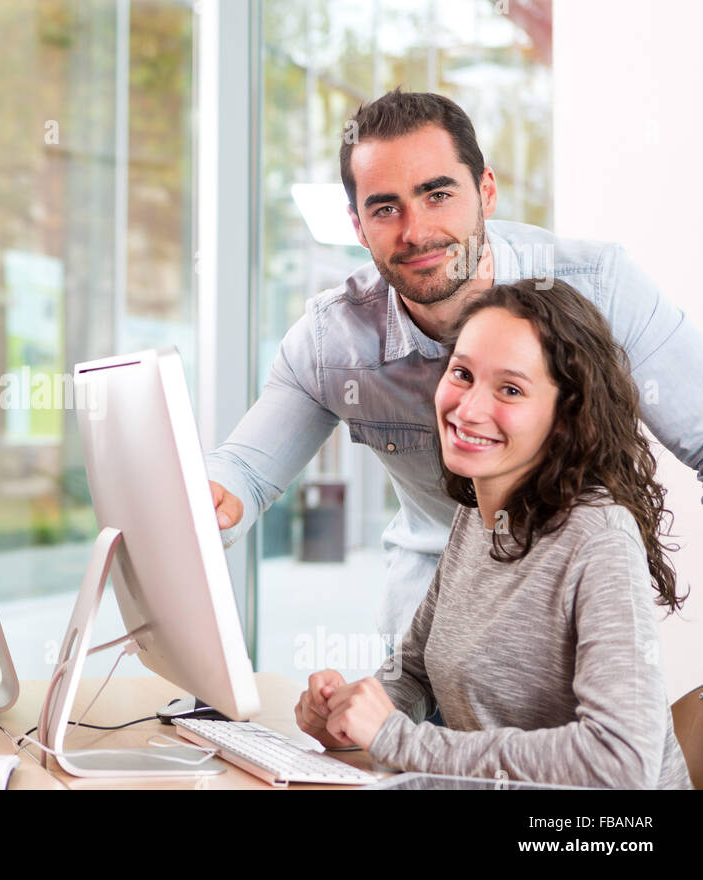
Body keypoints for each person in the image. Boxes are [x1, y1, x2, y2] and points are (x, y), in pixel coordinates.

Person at [205, 89, 703, 642]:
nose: (416, 231)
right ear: (358, 225)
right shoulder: (333, 341)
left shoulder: (599, 287)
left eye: (437, 194)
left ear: (486, 190)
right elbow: (244, 474)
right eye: (385, 208)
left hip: (570, 638)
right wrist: (208, 502)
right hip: (427, 646)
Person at [293, 279, 691, 788]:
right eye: (462, 374)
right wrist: (351, 715)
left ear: (566, 418)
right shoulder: (477, 515)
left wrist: (397, 738)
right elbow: (416, 671)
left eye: (510, 389)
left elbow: (621, 761)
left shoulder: (599, 539)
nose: (469, 409)